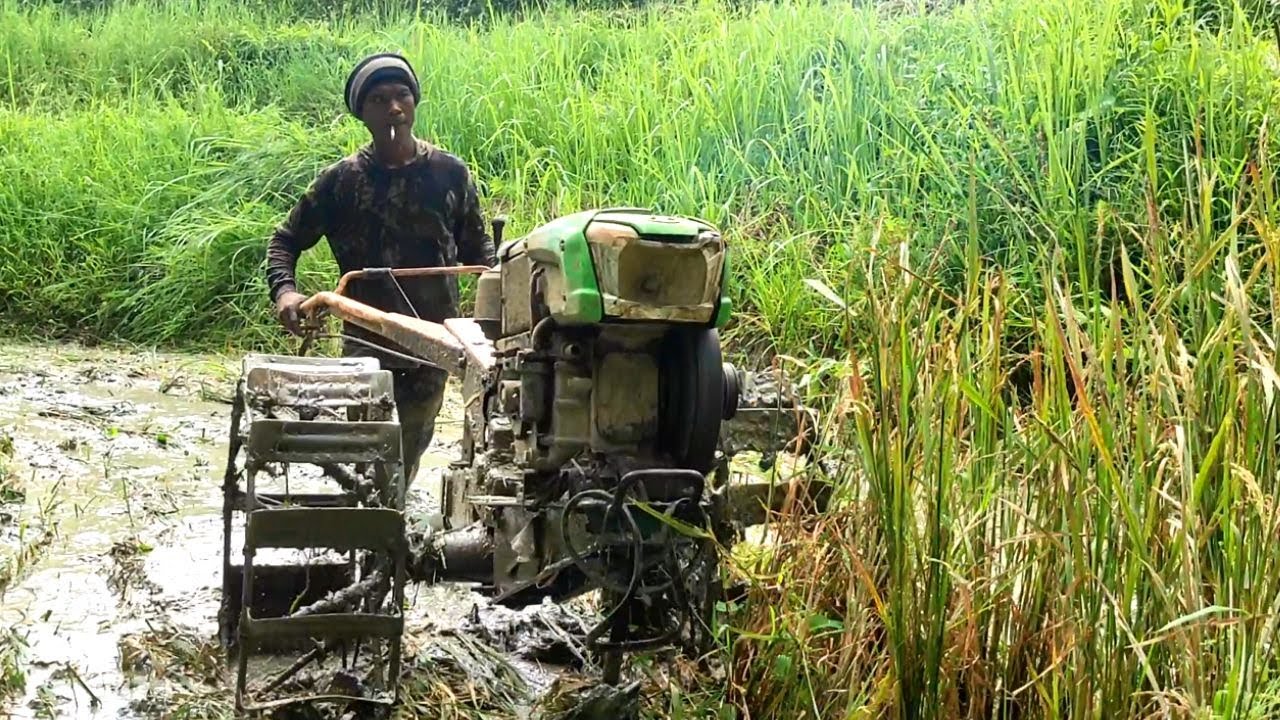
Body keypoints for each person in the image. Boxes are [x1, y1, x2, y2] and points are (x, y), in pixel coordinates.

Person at [264, 52, 496, 487]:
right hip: (364, 337)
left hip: (434, 341)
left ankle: (389, 531)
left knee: (409, 445)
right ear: (362, 113)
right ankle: (368, 522)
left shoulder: (449, 174)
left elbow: (479, 248)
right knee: (367, 440)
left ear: (414, 103)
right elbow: (285, 241)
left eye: (402, 95)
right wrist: (286, 293)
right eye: (379, 99)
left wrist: (494, 292)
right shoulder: (341, 181)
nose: (394, 107)